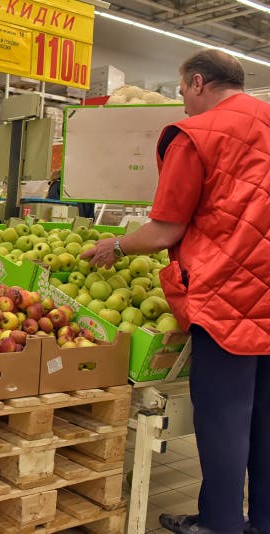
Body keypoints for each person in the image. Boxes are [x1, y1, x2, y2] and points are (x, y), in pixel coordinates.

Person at [81, 50, 269, 534]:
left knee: (224, 418)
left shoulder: (195, 136)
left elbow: (165, 229)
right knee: (265, 419)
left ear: (200, 82)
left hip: (228, 298)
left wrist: (117, 245)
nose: (182, 99)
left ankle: (221, 524)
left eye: (183, 89)